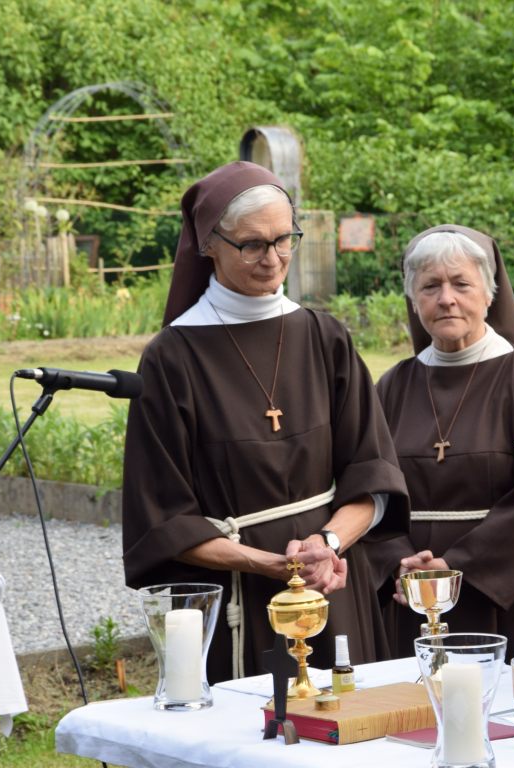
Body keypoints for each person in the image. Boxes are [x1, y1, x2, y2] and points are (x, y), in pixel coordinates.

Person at [122, 161, 409, 684]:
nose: (273, 258)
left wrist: (327, 544)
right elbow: (163, 519)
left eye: (284, 239)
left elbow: (372, 475)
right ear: (209, 243)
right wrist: (266, 565)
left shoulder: (325, 337)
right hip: (239, 598)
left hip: (331, 583)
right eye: (252, 244)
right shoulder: (172, 358)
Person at [365, 224, 514, 667]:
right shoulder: (392, 387)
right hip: (415, 595)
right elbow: (369, 488)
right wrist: (398, 563)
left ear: (488, 294)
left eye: (461, 284)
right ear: (413, 298)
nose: (446, 298)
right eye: (430, 286)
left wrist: (459, 567)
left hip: (509, 590)